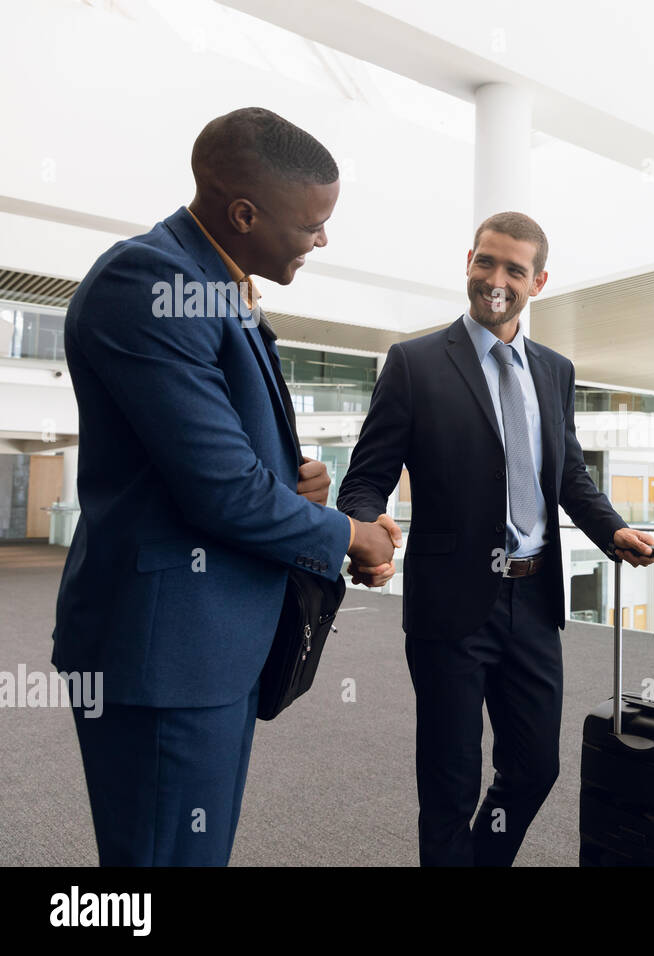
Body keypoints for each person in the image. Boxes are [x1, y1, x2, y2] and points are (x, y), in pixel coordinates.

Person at [51, 107, 399, 865]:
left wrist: (295, 484)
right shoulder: (151, 280)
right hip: (164, 653)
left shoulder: (213, 281)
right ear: (244, 214)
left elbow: (211, 456)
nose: (322, 240)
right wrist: (351, 534)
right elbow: (220, 490)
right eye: (313, 224)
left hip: (212, 645)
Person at [337, 211, 654, 866]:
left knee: (536, 768)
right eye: (486, 261)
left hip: (534, 603)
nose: (496, 279)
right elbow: (365, 479)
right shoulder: (414, 363)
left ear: (538, 282)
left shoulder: (555, 371)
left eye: (515, 268)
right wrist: (365, 525)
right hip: (450, 604)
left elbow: (567, 473)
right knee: (450, 784)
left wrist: (612, 529)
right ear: (468, 262)